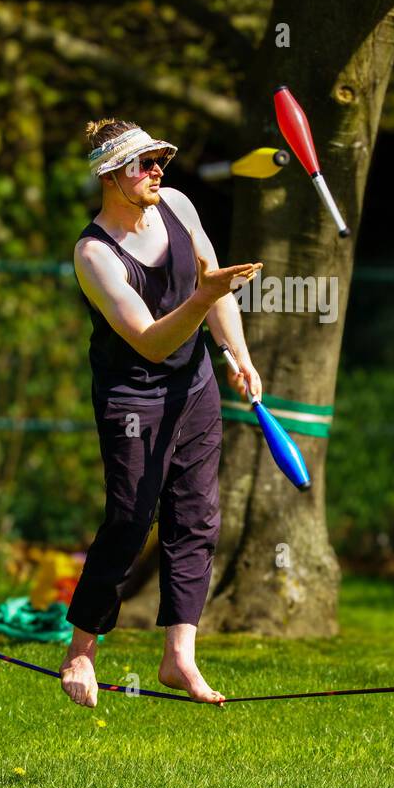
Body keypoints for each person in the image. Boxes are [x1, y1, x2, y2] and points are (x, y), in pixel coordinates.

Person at [60, 119, 262, 708]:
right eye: (143, 163)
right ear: (109, 174)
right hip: (132, 396)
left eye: (158, 161)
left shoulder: (176, 204)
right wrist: (203, 297)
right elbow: (150, 340)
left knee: (197, 516)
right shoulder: (94, 254)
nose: (157, 172)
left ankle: (179, 657)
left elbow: (213, 283)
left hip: (194, 386)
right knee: (129, 520)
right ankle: (81, 650)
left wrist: (236, 357)